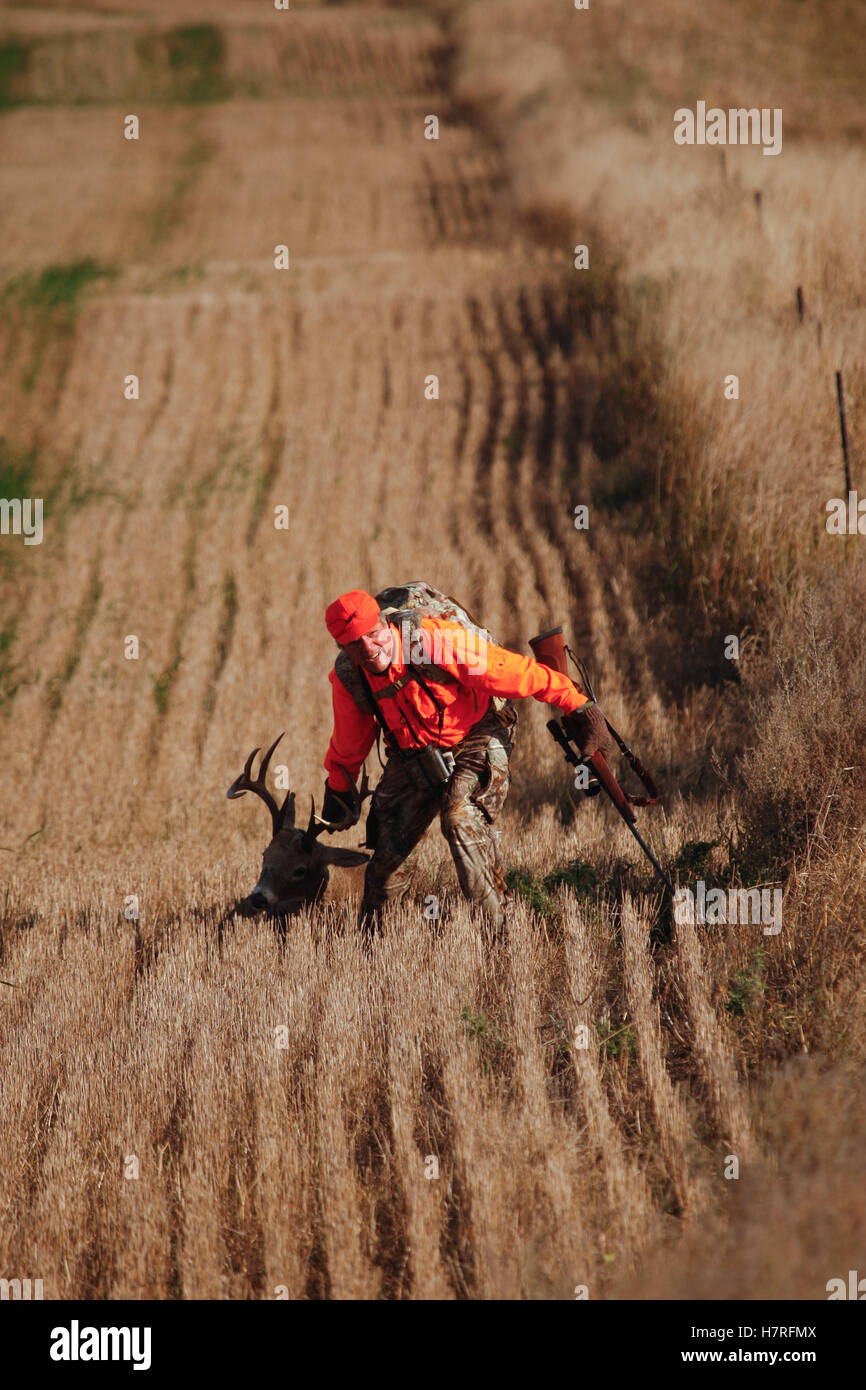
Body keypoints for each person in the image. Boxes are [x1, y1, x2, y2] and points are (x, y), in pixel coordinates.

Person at [321, 588, 610, 935]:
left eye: (372, 635)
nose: (369, 649)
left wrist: (577, 705)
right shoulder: (349, 676)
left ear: (385, 623)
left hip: (478, 731)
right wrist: (338, 790)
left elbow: (510, 671)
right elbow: (349, 742)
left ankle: (503, 935)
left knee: (460, 819)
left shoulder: (430, 640)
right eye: (355, 644)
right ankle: (371, 946)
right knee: (387, 854)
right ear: (342, 647)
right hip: (415, 753)